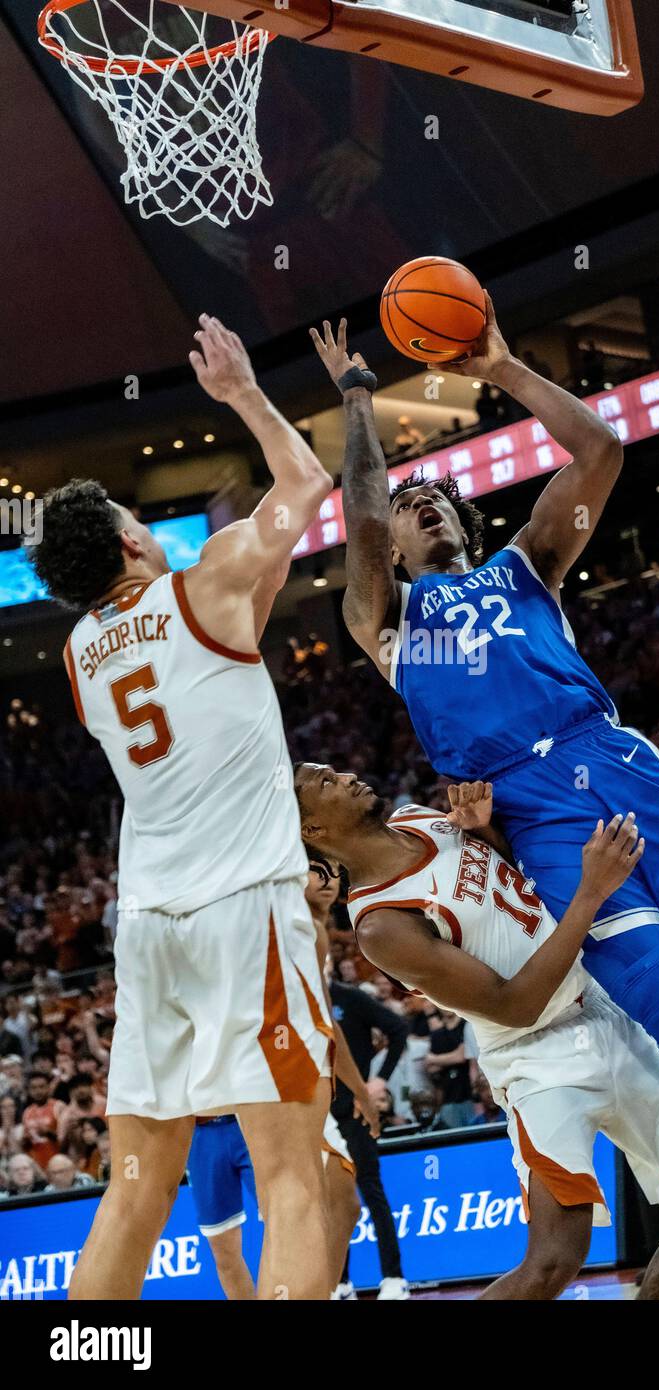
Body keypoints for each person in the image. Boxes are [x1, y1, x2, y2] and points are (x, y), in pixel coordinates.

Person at [311, 306, 659, 1247]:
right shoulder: (387, 620)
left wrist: (501, 363)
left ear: (466, 517)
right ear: (393, 549)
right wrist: (359, 402)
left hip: (624, 768)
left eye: (438, 499)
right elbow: (361, 514)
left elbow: (601, 450)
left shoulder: (528, 567)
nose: (424, 509)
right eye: (410, 510)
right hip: (541, 819)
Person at [295, 765, 659, 1295]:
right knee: (555, 1258)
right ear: (314, 827)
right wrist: (591, 892)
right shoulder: (379, 924)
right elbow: (513, 1004)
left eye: (334, 769)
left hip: (602, 1008)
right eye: (322, 781)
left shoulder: (415, 819)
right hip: (534, 1055)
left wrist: (487, 828)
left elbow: (509, 880)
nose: (342, 775)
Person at [32, 314, 335, 1300]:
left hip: (149, 928)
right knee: (289, 1172)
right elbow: (306, 491)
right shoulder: (205, 588)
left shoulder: (80, 660)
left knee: (134, 1188)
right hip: (241, 910)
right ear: (132, 538)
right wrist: (245, 393)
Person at [309, 864, 411, 1302]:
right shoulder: (300, 1002)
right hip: (317, 1113)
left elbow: (399, 1029)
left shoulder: (351, 999)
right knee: (332, 1199)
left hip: (353, 1109)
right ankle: (341, 1282)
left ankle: (394, 1278)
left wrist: (377, 1082)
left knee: (370, 1191)